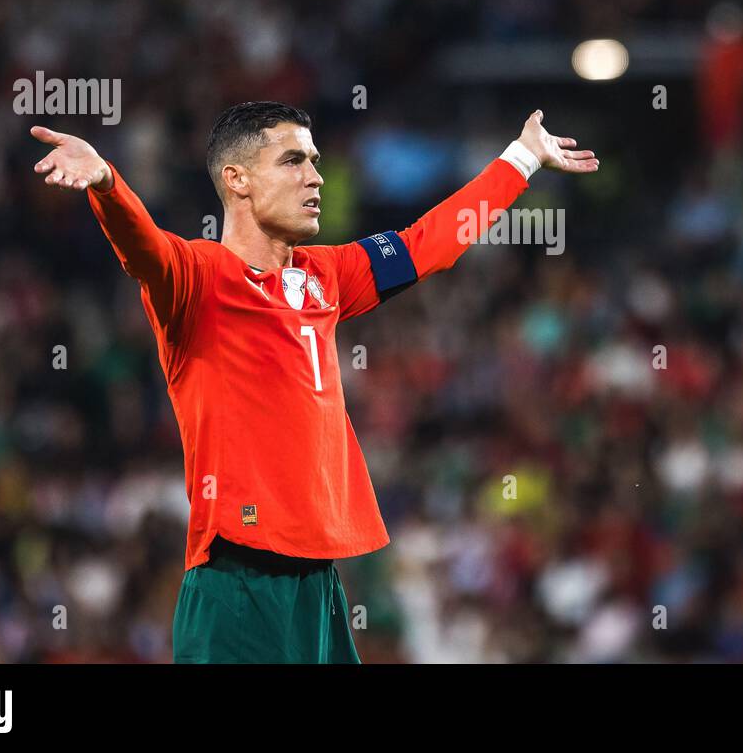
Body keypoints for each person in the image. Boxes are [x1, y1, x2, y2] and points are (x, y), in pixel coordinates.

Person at [29, 102, 598, 662]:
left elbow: (430, 244)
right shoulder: (200, 278)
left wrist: (520, 159)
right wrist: (107, 183)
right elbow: (143, 250)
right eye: (293, 161)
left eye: (315, 160)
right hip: (237, 579)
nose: (316, 177)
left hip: (317, 586)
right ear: (238, 179)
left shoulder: (325, 275)